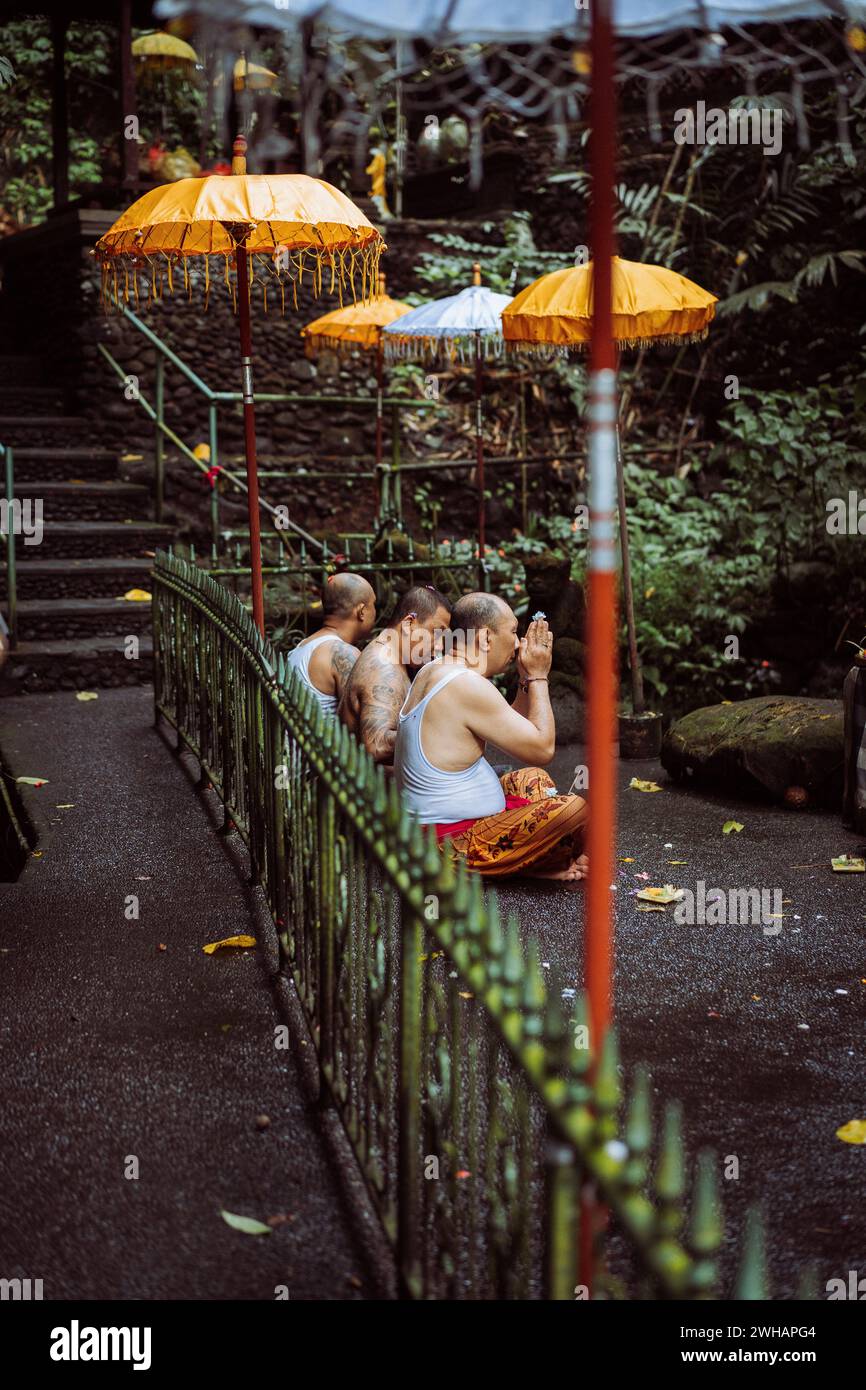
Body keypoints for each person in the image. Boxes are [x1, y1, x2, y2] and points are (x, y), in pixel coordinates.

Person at [394, 593, 588, 880]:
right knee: (573, 810)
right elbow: (542, 749)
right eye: (512, 632)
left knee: (531, 778)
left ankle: (538, 858)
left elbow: (513, 728)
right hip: (446, 845)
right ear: (485, 638)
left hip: (441, 830)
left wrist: (524, 678)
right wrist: (539, 677)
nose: (519, 642)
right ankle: (534, 864)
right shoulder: (465, 684)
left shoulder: (436, 669)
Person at [339, 584, 452, 765]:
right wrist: (443, 729)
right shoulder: (383, 668)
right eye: (435, 633)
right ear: (408, 623)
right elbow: (377, 745)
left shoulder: (394, 657)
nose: (438, 646)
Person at [285, 572, 376, 718]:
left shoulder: (303, 646)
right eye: (373, 604)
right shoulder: (343, 653)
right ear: (362, 611)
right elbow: (361, 723)